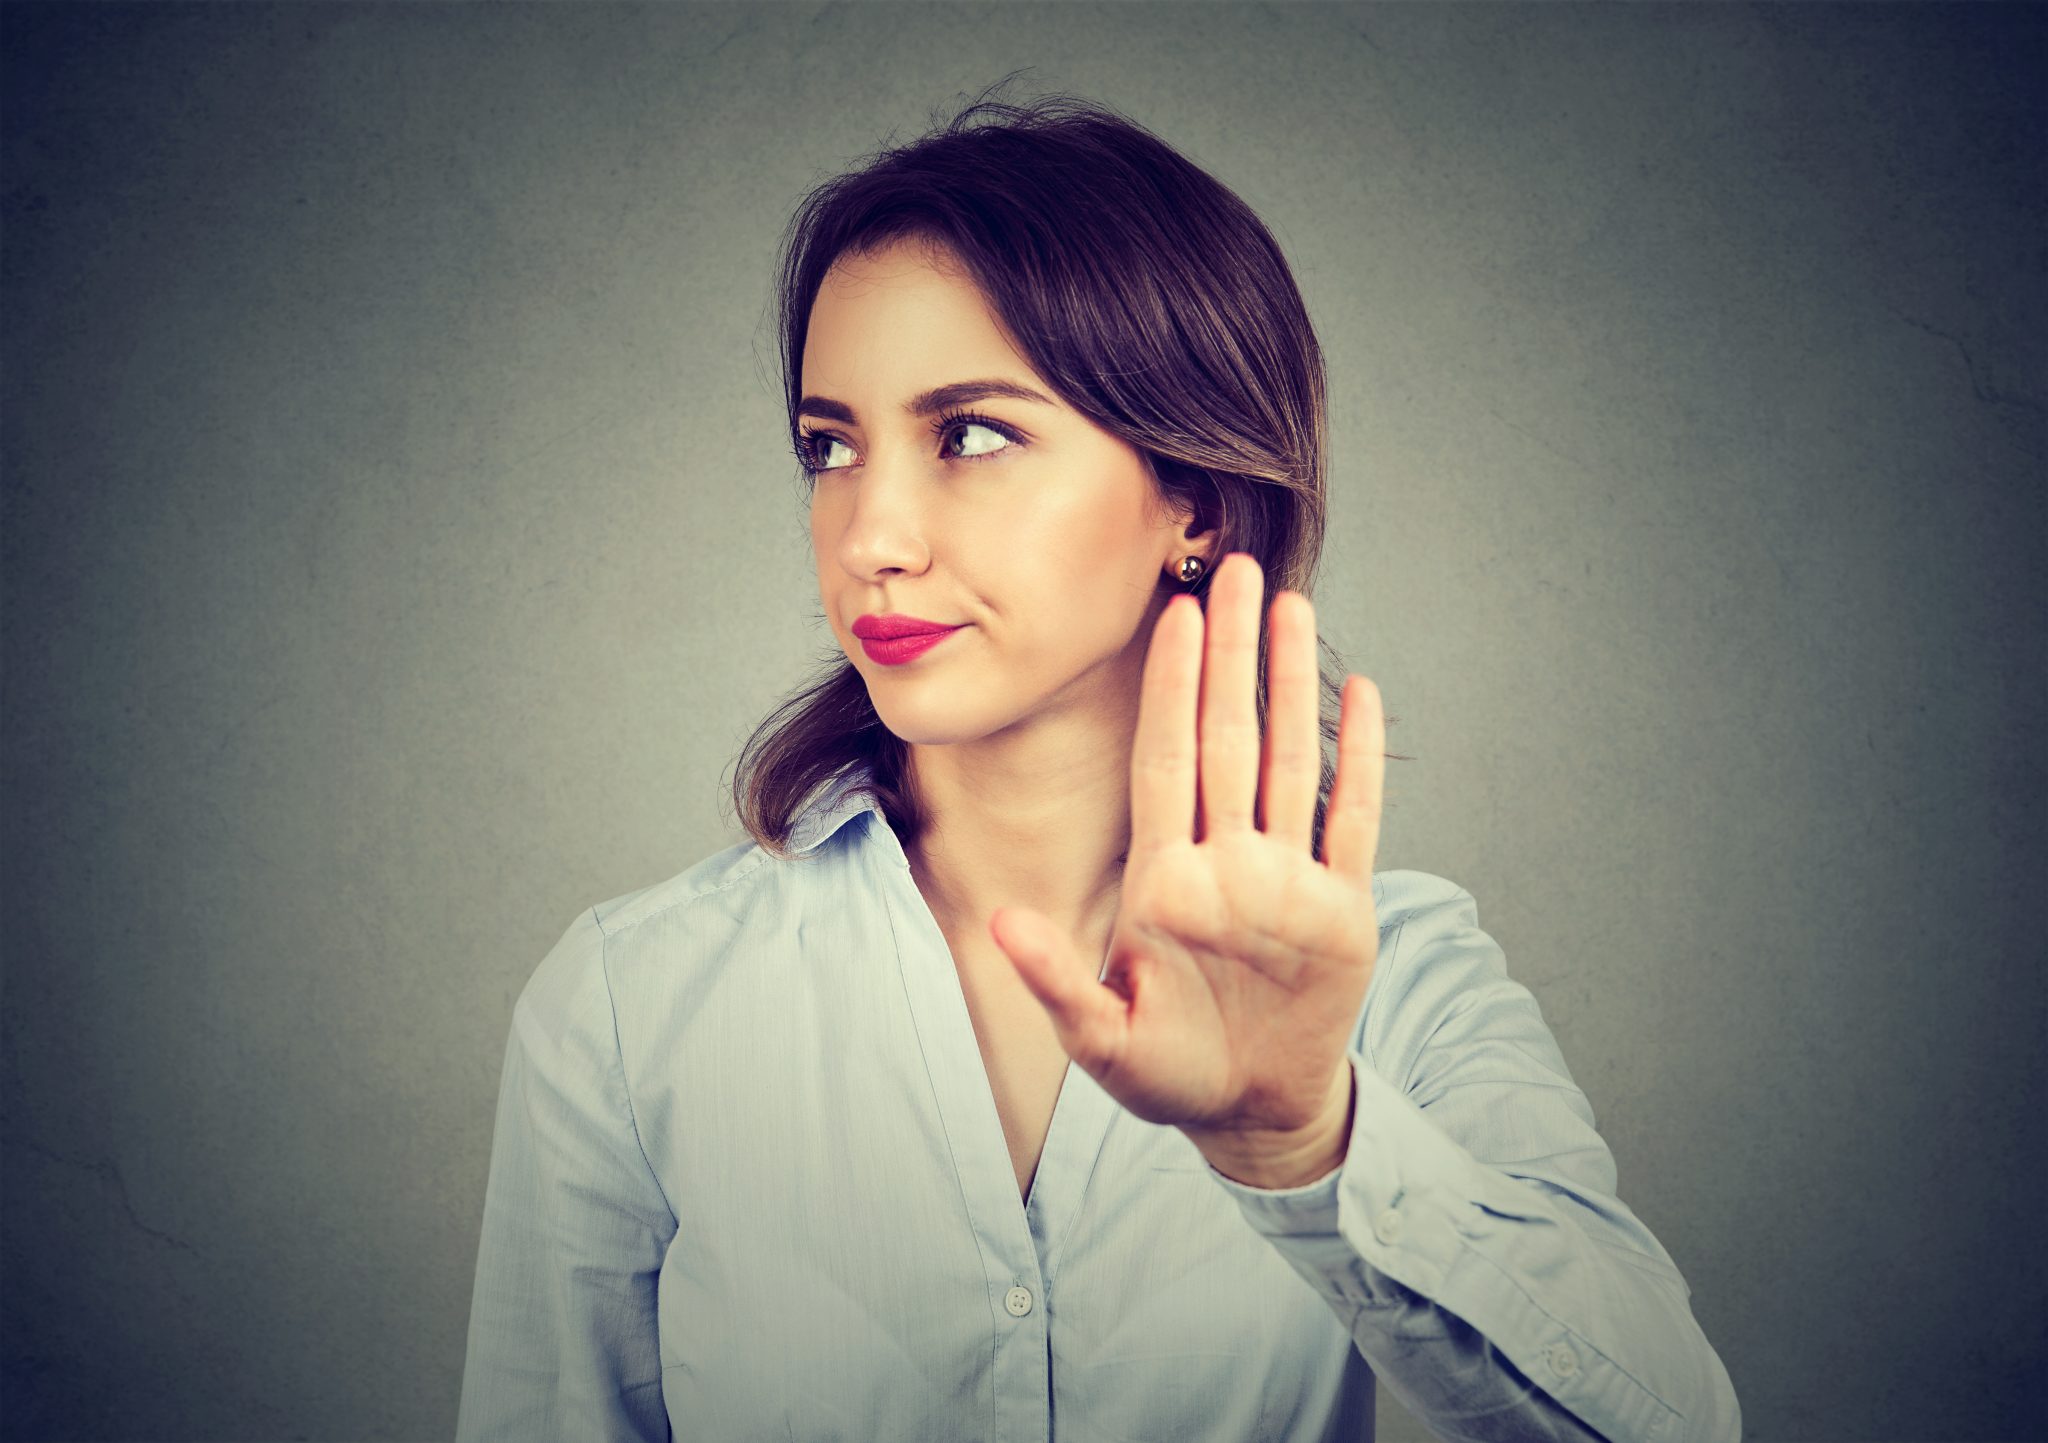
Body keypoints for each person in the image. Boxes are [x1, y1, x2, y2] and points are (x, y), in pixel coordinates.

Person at [454, 84, 1742, 1442]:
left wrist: (1308, 1144)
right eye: (829, 448)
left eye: (970, 433)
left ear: (1190, 498)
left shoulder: (1392, 979)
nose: (870, 534)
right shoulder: (630, 1006)